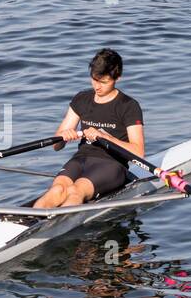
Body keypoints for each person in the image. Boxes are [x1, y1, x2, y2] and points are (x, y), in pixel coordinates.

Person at [33, 49, 144, 209]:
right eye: (94, 80)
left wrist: (105, 137)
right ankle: (26, 224)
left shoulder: (129, 106)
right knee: (56, 190)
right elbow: (56, 146)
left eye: (103, 82)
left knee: (75, 190)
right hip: (81, 159)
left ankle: (60, 226)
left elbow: (139, 153)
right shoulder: (81, 99)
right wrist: (63, 137)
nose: (97, 86)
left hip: (111, 164)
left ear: (117, 78)